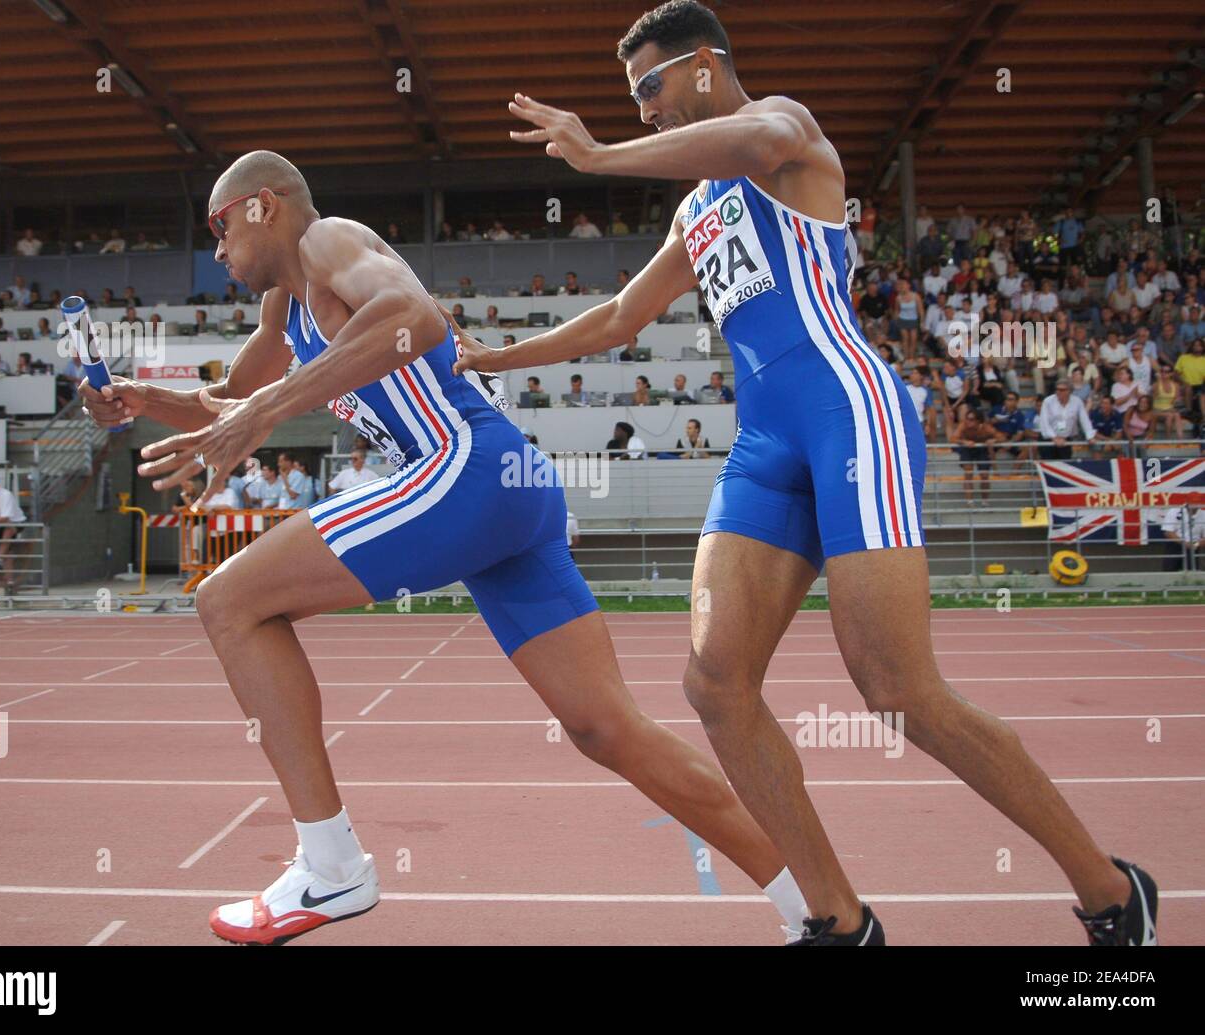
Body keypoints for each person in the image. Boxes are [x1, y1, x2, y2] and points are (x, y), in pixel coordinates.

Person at [454, 0, 1156, 946]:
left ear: (705, 66)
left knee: (898, 689)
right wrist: (495, 360)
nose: (646, 109)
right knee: (715, 682)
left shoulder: (784, 134)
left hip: (847, 417)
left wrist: (598, 156)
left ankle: (1111, 892)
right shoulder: (698, 209)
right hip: (765, 446)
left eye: (650, 88)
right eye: (634, 99)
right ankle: (839, 917)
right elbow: (621, 318)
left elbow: (759, 134)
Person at [80, 149, 810, 946]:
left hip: (465, 466)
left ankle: (332, 867)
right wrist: (144, 400)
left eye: (219, 227)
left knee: (229, 600)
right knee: (609, 729)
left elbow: (413, 320)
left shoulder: (329, 242)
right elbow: (229, 402)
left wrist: (264, 413)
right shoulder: (281, 312)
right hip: (509, 488)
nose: (216, 250)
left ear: (264, 205)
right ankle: (817, 902)